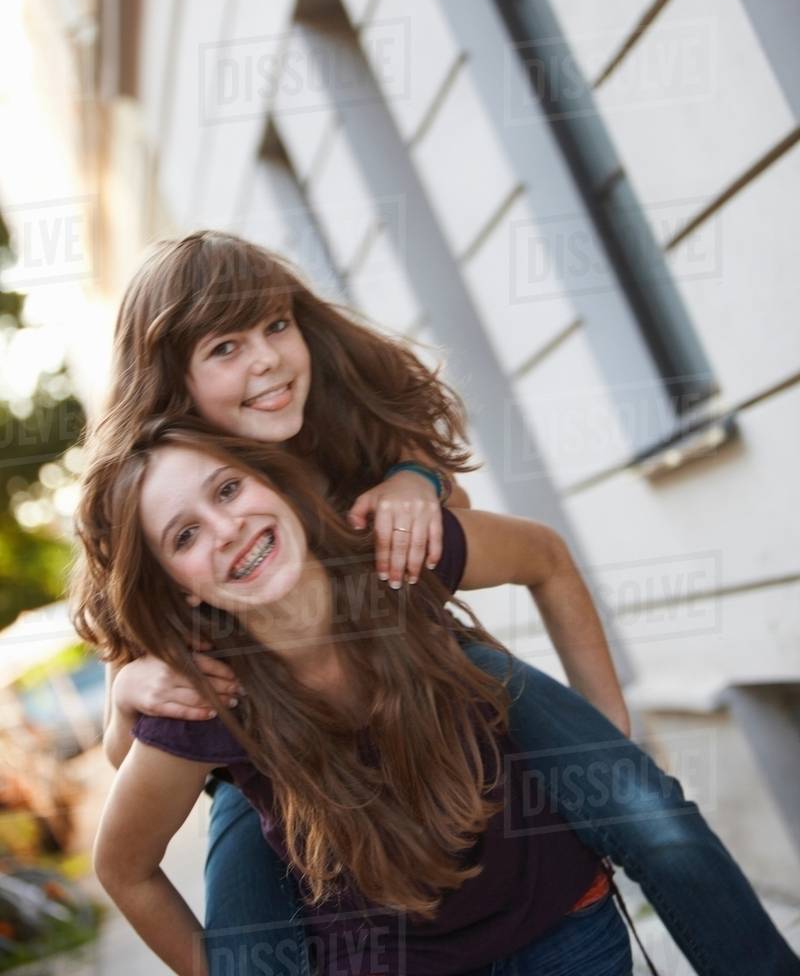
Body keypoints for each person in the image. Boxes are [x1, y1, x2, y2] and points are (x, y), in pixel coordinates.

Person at [83, 230, 799, 976]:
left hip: (422, 651)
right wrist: (127, 690)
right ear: (171, 380)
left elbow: (482, 522)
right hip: (268, 738)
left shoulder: (329, 411)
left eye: (274, 326)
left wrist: (413, 483)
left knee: (650, 815)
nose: (264, 359)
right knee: (248, 951)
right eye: (224, 348)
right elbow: (127, 741)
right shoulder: (157, 497)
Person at [74, 418, 634, 976]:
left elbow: (547, 557)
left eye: (228, 488)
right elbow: (123, 867)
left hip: (567, 929)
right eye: (185, 536)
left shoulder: (393, 553)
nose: (226, 528)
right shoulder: (209, 693)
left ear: (273, 481)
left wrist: (610, 732)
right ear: (179, 587)